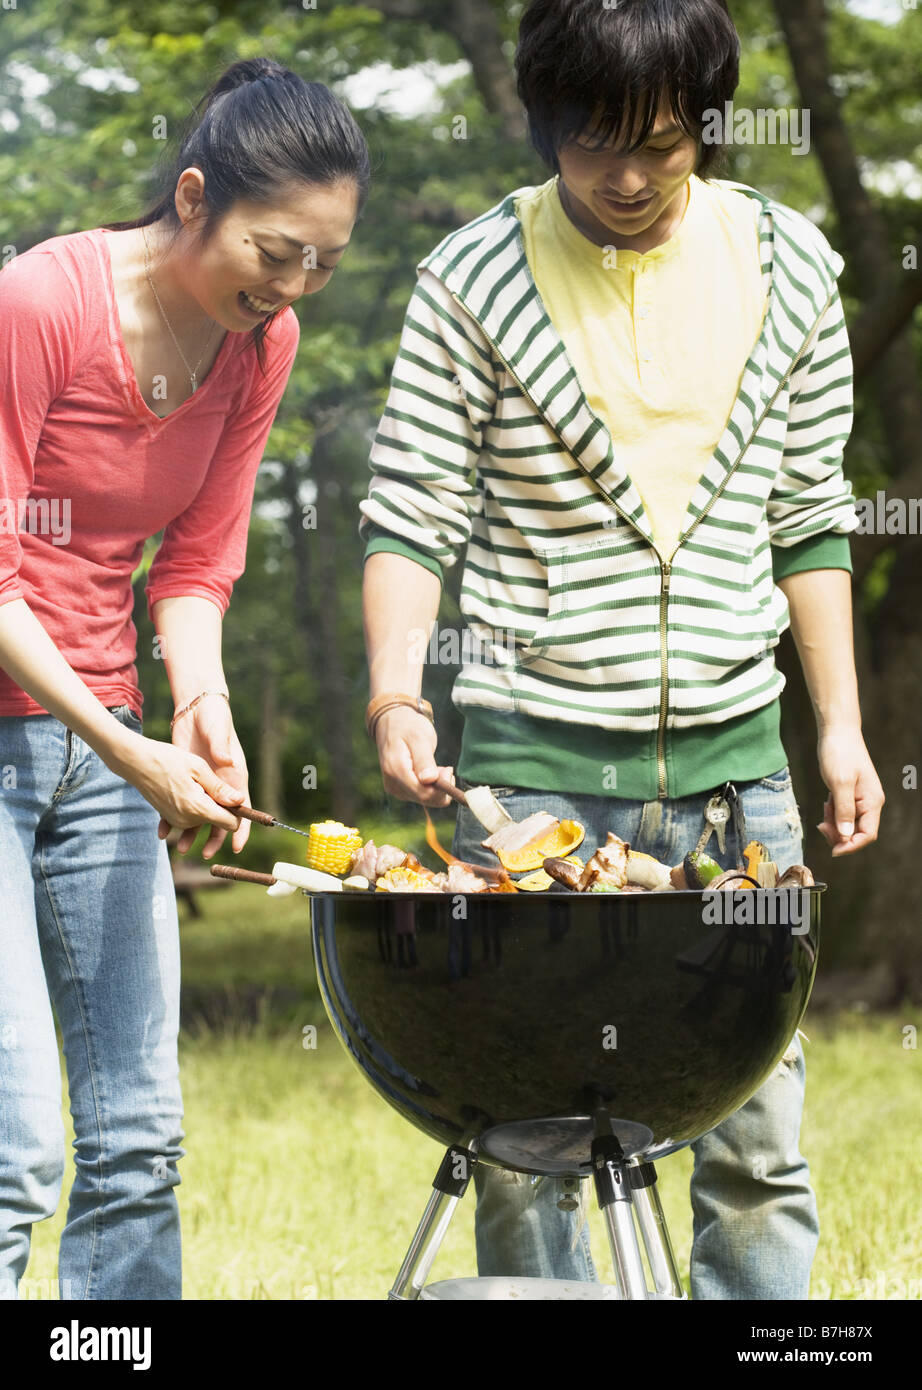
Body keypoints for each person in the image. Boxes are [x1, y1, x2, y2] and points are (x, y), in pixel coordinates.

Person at [360, 0, 884, 1298]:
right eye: (594, 143)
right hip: (527, 772)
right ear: (545, 127)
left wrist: (837, 728)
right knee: (522, 1143)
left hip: (734, 779)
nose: (630, 175)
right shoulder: (471, 278)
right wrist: (392, 691)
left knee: (754, 1137)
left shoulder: (789, 266)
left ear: (703, 126)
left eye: (661, 142)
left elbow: (809, 515)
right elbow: (410, 508)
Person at [0, 57, 369, 1300]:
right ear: (197, 195)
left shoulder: (258, 347)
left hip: (104, 729)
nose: (293, 286)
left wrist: (198, 709)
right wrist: (125, 747)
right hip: (42, 727)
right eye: (276, 251)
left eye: (322, 261)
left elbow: (196, 565)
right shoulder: (40, 300)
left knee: (137, 1136)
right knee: (18, 1150)